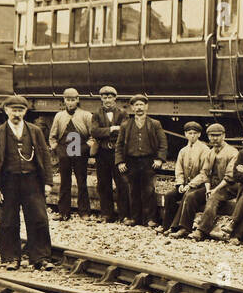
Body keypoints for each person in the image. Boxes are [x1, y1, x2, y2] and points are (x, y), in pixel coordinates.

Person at [0, 95, 54, 270]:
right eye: (13, 110)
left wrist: (48, 182)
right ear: (6, 111)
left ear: (25, 111)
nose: (16, 114)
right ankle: (11, 258)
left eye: (20, 110)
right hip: (8, 182)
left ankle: (40, 258)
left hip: (32, 181)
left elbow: (45, 157)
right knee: (8, 221)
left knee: (39, 219)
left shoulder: (35, 131)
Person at [116, 94, 168, 226]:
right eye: (136, 105)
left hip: (148, 161)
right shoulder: (126, 125)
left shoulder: (155, 124)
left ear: (146, 106)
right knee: (133, 190)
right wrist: (120, 161)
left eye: (141, 105)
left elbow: (163, 143)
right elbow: (119, 145)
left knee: (148, 190)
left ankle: (150, 219)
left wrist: (159, 159)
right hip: (131, 161)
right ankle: (135, 218)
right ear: (132, 108)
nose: (139, 108)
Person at [48, 87, 93, 220]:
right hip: (64, 152)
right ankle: (63, 212)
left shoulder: (86, 115)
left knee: (82, 182)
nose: (70, 102)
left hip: (80, 151)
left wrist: (86, 147)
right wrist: (56, 148)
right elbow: (53, 136)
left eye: (73, 100)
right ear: (64, 100)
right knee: (64, 182)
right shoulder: (59, 116)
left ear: (77, 100)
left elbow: (92, 135)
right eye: (68, 100)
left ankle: (84, 212)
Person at [190, 123, 240, 240]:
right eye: (212, 136)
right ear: (208, 137)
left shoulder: (232, 152)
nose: (214, 138)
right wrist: (208, 189)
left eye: (217, 135)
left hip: (229, 187)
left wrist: (214, 191)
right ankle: (184, 227)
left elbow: (230, 176)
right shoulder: (210, 152)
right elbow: (205, 173)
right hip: (213, 186)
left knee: (213, 198)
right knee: (191, 196)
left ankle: (201, 230)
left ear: (224, 136)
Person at [90, 85, 131, 223]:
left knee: (122, 184)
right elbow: (94, 131)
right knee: (103, 184)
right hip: (102, 153)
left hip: (117, 153)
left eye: (110, 97)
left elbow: (124, 131)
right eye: (104, 97)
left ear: (115, 98)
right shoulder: (96, 114)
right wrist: (112, 129)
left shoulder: (123, 113)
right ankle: (106, 214)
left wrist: (105, 131)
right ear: (101, 98)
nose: (107, 100)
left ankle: (123, 214)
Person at [168, 121, 214, 237]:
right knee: (170, 195)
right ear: (185, 134)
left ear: (199, 134)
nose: (192, 135)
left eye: (195, 133)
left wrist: (191, 185)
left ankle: (184, 228)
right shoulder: (183, 150)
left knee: (189, 195)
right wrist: (180, 184)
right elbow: (179, 169)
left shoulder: (205, 150)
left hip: (201, 185)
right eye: (189, 133)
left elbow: (205, 172)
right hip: (185, 184)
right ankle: (168, 226)